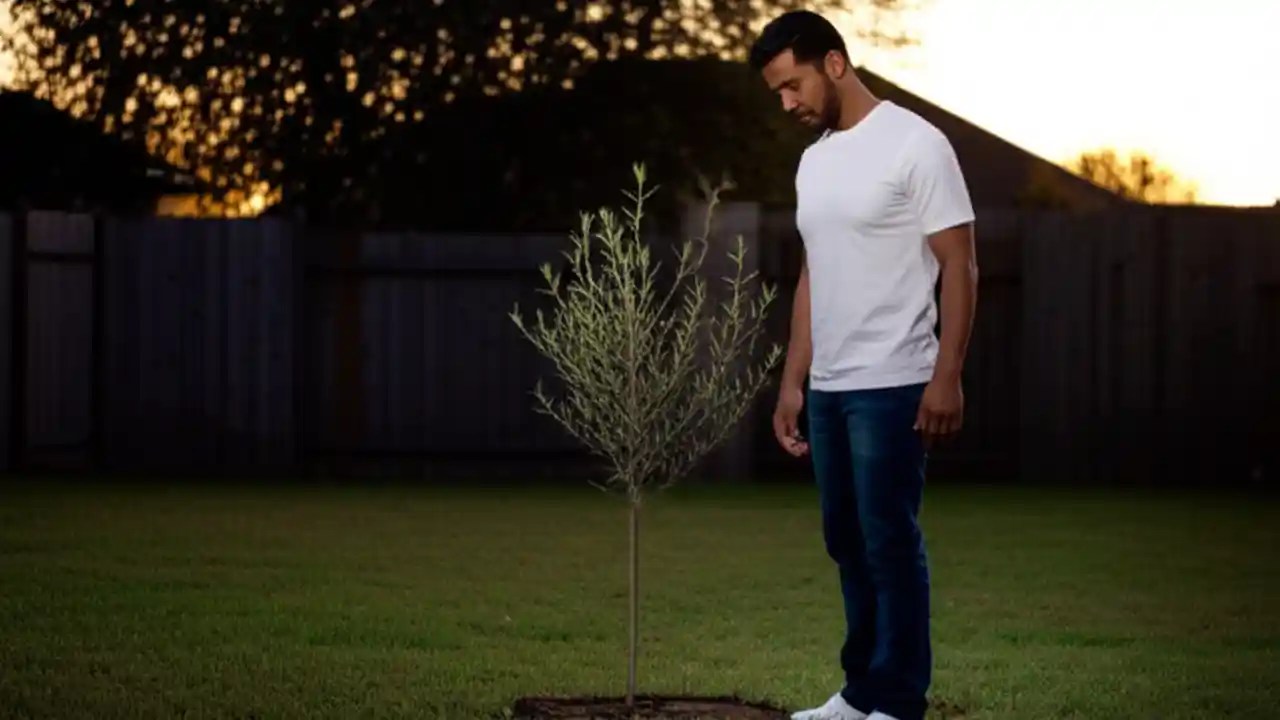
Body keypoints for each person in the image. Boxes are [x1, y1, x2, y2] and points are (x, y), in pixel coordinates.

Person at [749, 10, 979, 720]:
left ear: (835, 64)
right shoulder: (814, 160)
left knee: (888, 540)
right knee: (846, 541)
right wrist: (794, 382)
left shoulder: (917, 144)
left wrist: (947, 375)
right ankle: (860, 694)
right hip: (832, 386)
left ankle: (898, 699)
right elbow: (814, 274)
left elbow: (962, 265)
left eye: (793, 86)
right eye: (777, 94)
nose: (788, 104)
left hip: (896, 380)